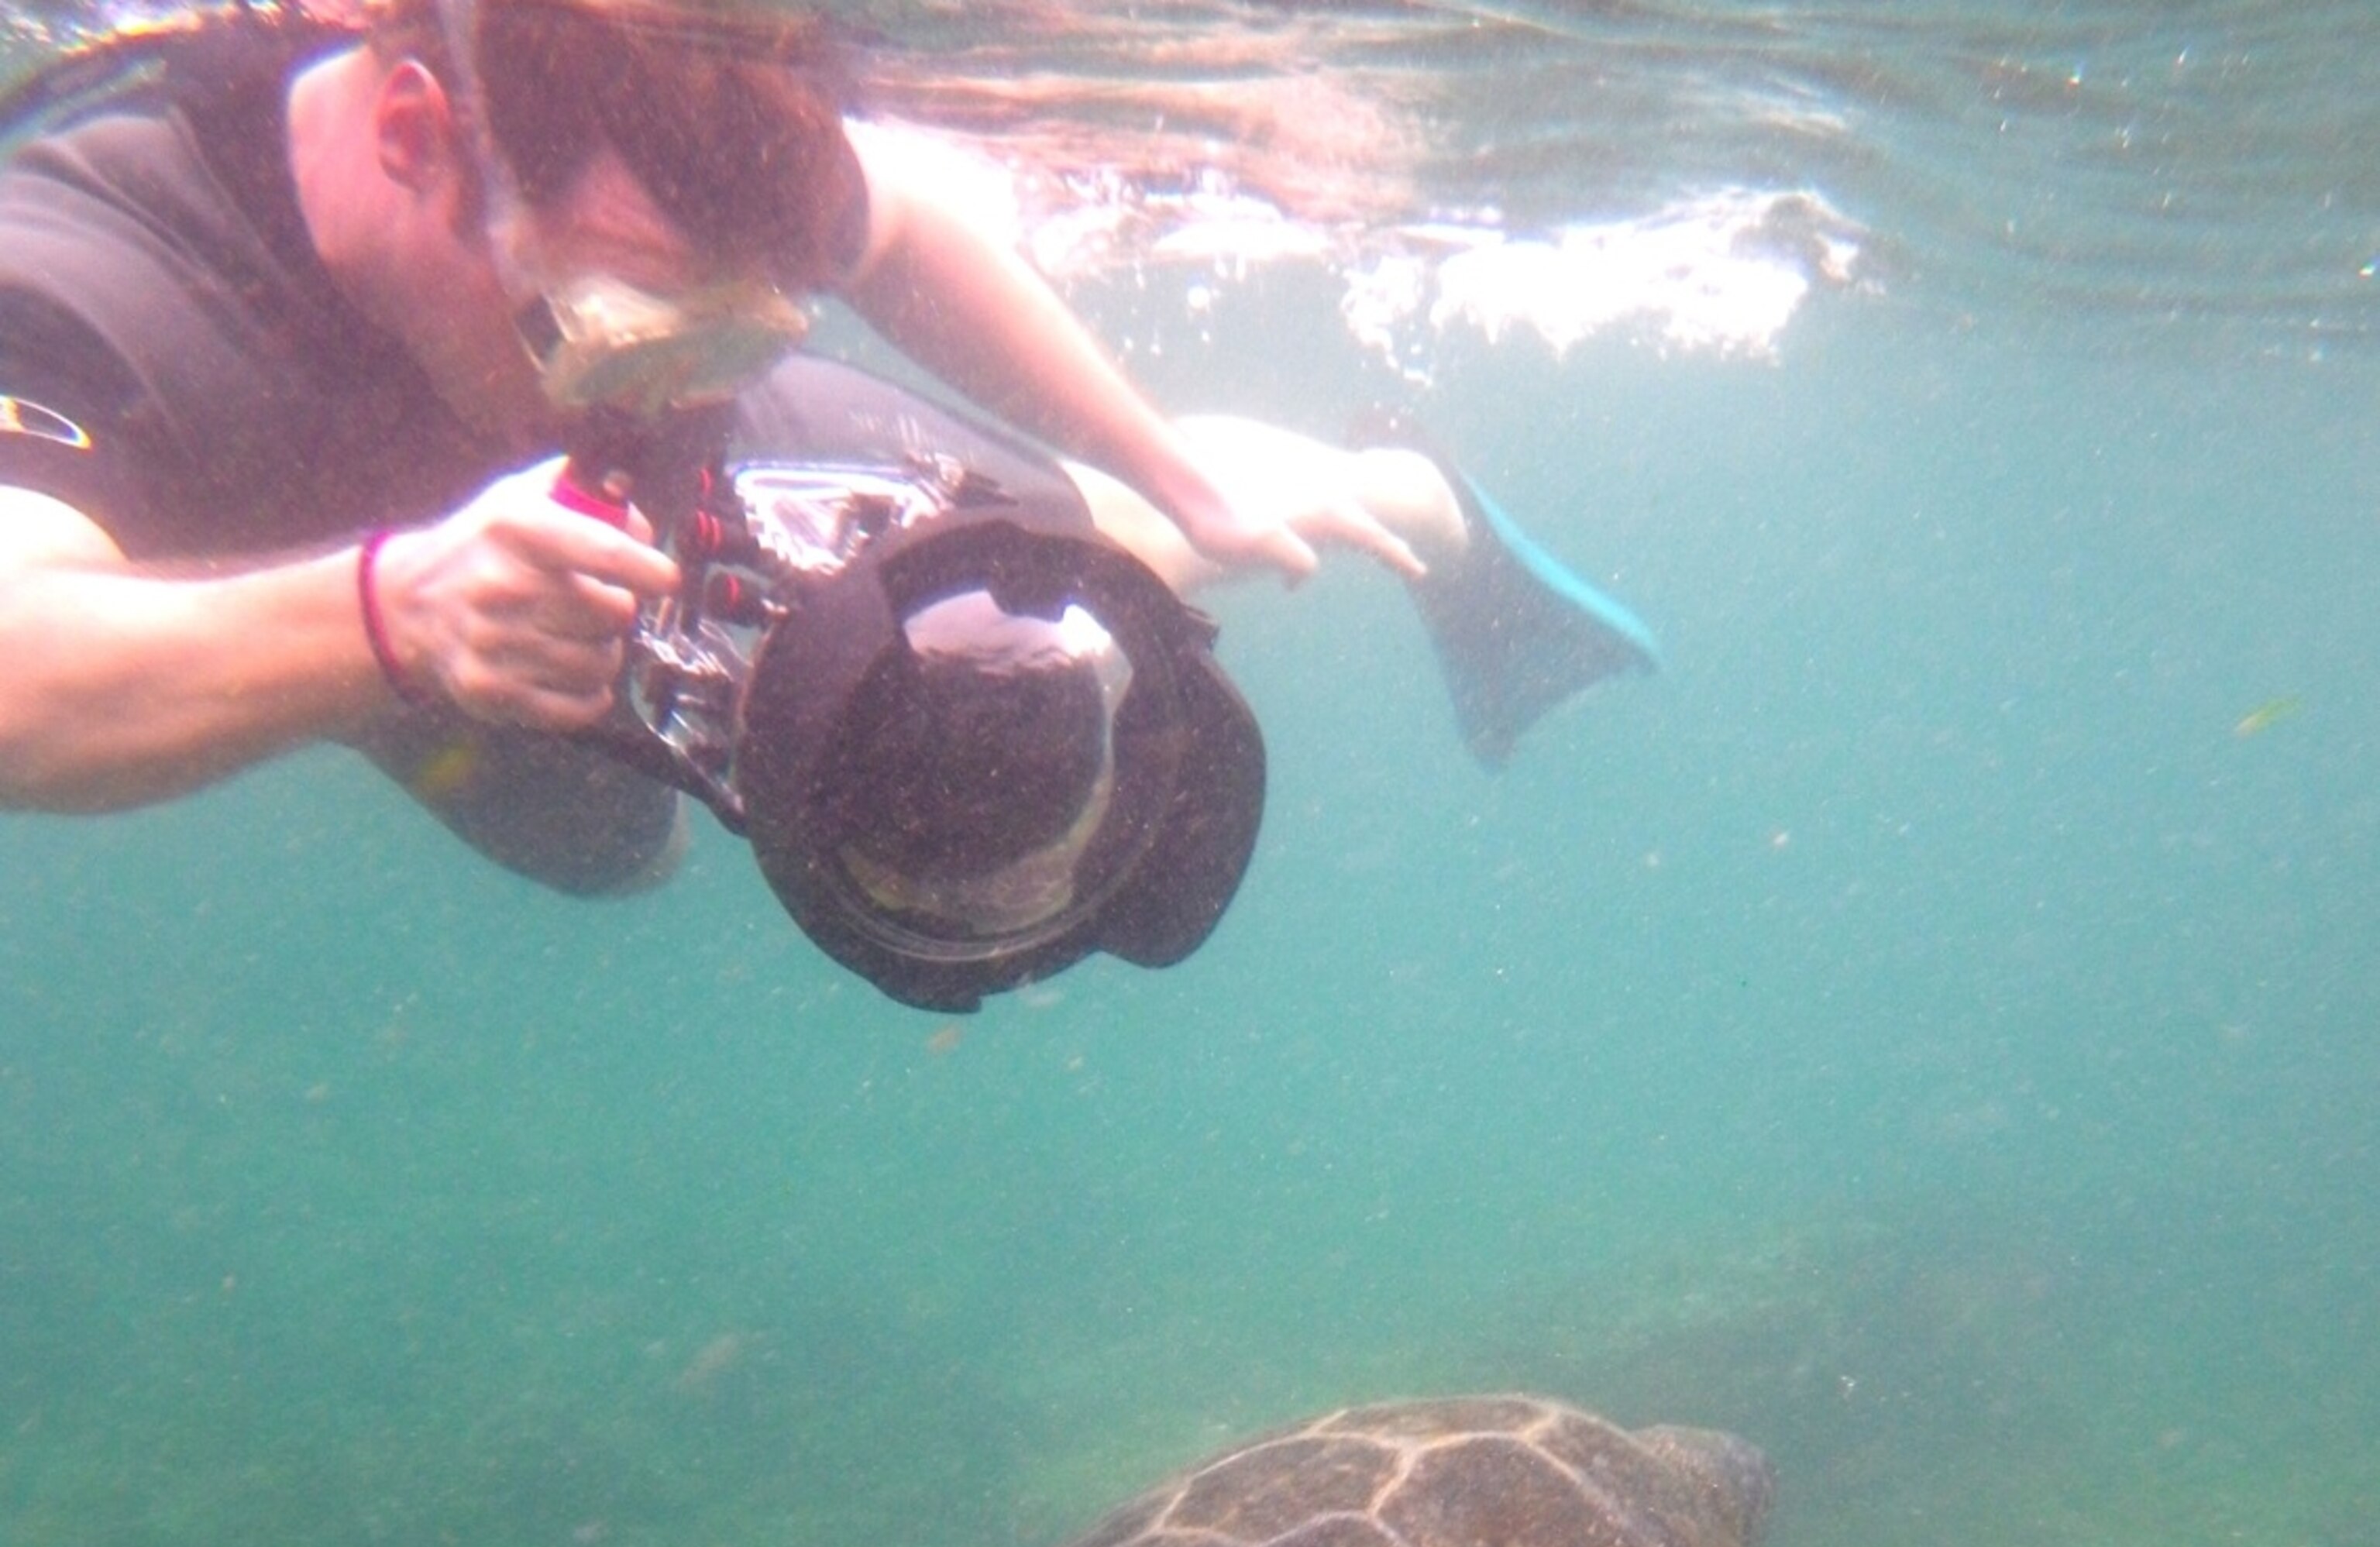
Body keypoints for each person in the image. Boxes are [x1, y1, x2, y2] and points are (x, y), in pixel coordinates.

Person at [0, 0, 1654, 911]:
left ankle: (1404, 497)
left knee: (1069, 559)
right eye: (636, 342)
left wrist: (1173, 476)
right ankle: (383, 701)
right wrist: (389, 628)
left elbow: (906, 216)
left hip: (498, 544)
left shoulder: (665, 148)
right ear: (415, 143)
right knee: (605, 860)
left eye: (736, 342)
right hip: (357, 586)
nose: (666, 409)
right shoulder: (75, 264)